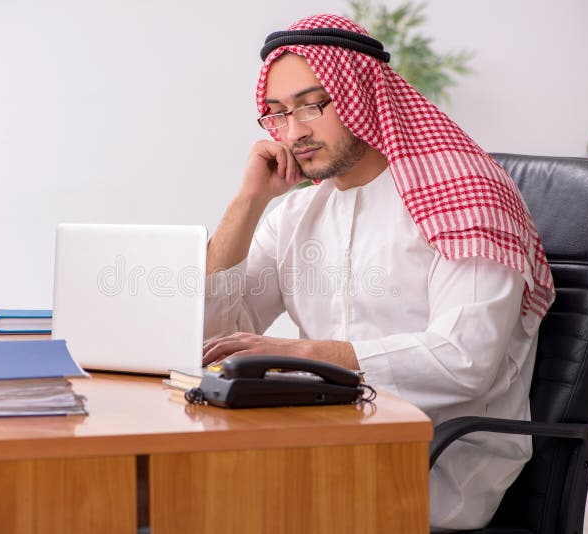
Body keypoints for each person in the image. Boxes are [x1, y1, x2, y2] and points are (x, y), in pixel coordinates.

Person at [201, 13, 555, 532]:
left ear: (363, 94)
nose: (294, 132)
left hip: (436, 460)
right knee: (168, 477)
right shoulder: (298, 213)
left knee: (210, 492)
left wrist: (305, 355)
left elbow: (465, 360)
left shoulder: (464, 197)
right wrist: (248, 202)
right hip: (328, 435)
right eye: (277, 114)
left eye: (312, 105)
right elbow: (212, 335)